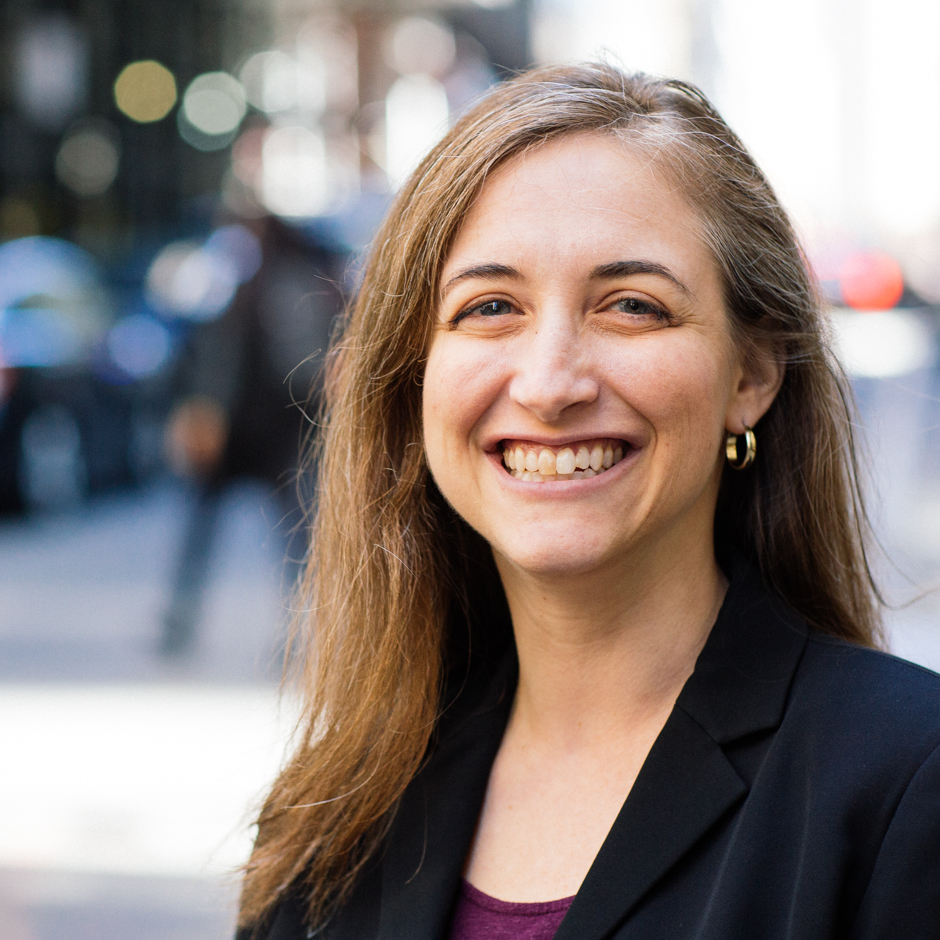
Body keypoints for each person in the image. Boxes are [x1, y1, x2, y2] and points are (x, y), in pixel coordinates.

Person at [236, 64, 940, 939]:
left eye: (632, 307)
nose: (549, 383)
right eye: (490, 306)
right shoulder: (331, 817)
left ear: (751, 375)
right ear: (415, 375)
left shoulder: (907, 785)